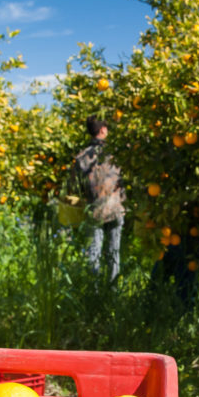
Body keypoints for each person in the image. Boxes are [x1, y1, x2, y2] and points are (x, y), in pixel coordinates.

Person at [73, 116, 125, 281]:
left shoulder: (81, 157)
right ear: (102, 130)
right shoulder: (114, 153)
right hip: (115, 208)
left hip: (94, 209)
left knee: (94, 253)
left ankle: (94, 291)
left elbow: (75, 188)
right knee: (113, 252)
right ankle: (113, 289)